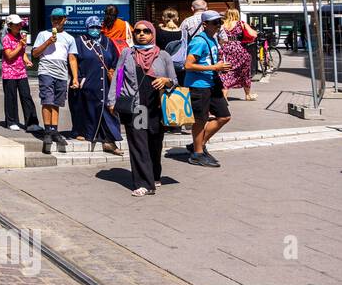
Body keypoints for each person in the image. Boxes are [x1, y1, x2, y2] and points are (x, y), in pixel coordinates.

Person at [109, 21, 178, 197]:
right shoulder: (127, 53)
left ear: (152, 34)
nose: (141, 34)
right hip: (136, 106)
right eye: (137, 31)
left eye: (146, 31)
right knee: (139, 145)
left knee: (154, 143)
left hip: (156, 106)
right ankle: (144, 184)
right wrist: (112, 100)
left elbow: (174, 80)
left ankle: (154, 175)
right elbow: (118, 77)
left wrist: (165, 81)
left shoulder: (163, 55)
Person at [185, 10, 232, 167]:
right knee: (200, 120)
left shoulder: (212, 39)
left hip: (211, 83)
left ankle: (197, 145)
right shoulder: (199, 41)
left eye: (220, 22)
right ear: (204, 24)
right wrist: (215, 67)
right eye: (215, 22)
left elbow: (208, 62)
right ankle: (197, 154)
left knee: (224, 116)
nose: (219, 25)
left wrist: (219, 68)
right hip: (199, 86)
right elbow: (188, 65)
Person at [69, 16, 122, 155]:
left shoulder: (108, 42)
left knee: (107, 109)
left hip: (106, 83)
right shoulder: (79, 41)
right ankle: (88, 133)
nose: (95, 30)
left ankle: (109, 140)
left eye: (97, 27)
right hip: (88, 82)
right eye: (92, 27)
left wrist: (114, 74)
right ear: (87, 28)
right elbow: (72, 59)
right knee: (88, 110)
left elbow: (115, 61)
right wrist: (77, 78)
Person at [32, 7, 79, 154]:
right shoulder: (43, 34)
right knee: (47, 100)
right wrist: (47, 43)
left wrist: (75, 78)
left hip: (62, 73)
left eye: (59, 18)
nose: (56, 21)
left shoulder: (70, 38)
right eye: (54, 18)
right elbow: (35, 53)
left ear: (65, 20)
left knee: (57, 103)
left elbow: (72, 58)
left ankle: (54, 130)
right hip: (46, 70)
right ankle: (47, 131)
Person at [0, 15, 39, 132]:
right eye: (16, 24)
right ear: (10, 26)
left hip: (21, 72)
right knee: (11, 97)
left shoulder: (21, 36)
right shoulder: (6, 38)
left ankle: (31, 123)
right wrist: (20, 45)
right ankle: (11, 121)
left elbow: (22, 53)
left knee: (26, 96)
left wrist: (27, 60)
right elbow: (9, 55)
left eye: (20, 24)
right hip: (9, 72)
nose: (19, 26)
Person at [219, 9, 257, 101]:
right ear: (237, 14)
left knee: (226, 73)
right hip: (239, 50)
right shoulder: (241, 23)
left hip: (225, 49)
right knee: (245, 72)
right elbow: (254, 34)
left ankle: (224, 97)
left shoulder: (222, 25)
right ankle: (248, 95)